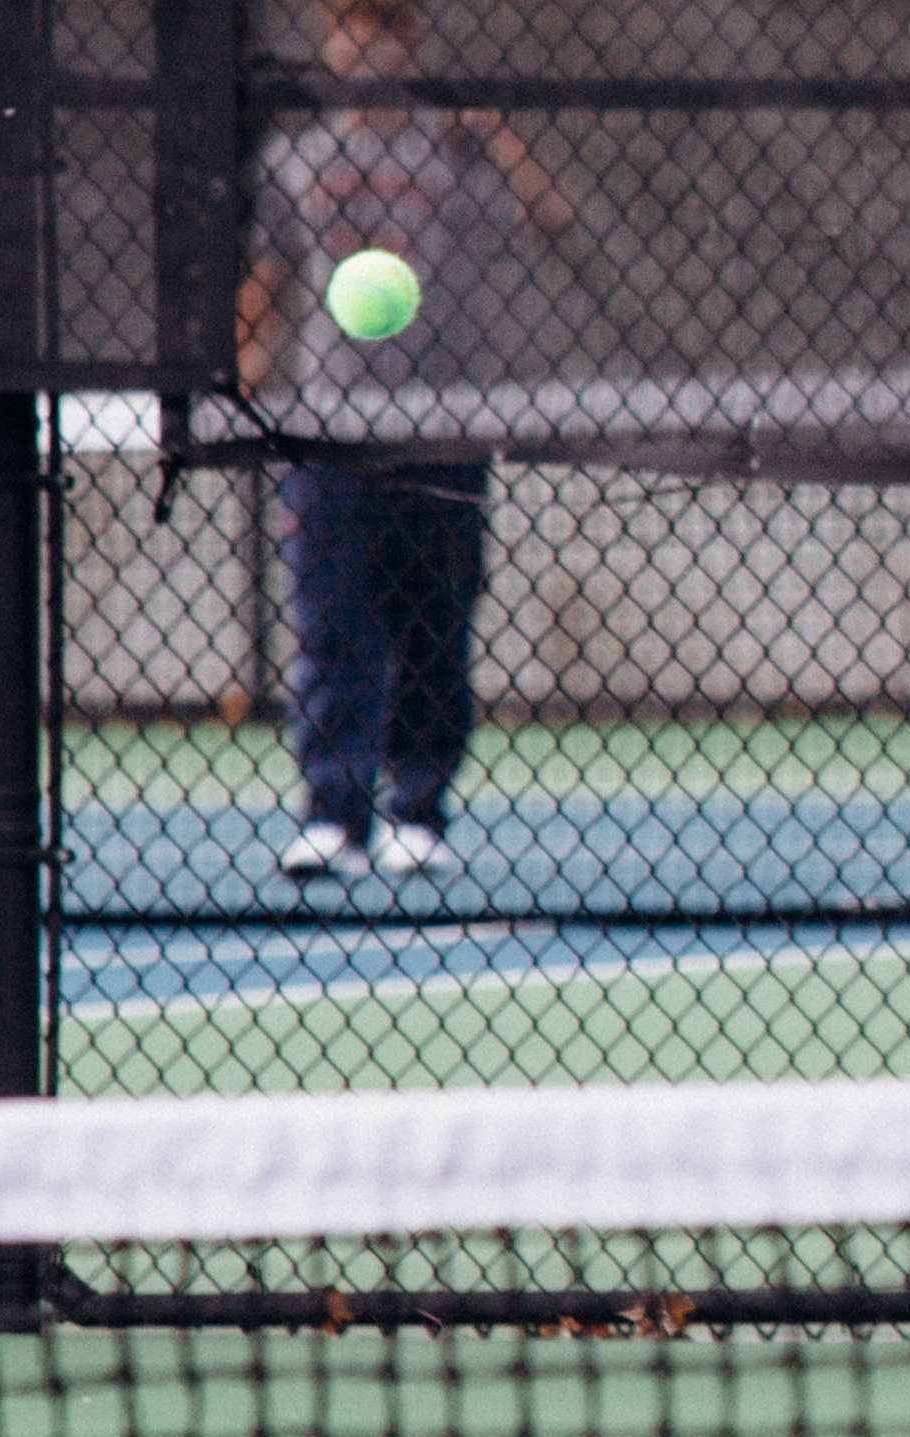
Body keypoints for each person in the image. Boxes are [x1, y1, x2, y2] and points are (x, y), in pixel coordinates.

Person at [237, 0, 574, 879]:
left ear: (410, 43)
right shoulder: (296, 156)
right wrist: (245, 380)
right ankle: (332, 811)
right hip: (330, 427)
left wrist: (498, 134)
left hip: (443, 423)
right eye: (351, 28)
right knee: (329, 627)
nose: (366, 46)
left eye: (383, 27)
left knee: (434, 623)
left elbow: (554, 216)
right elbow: (269, 278)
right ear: (331, 43)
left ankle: (415, 808)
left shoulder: (456, 152)